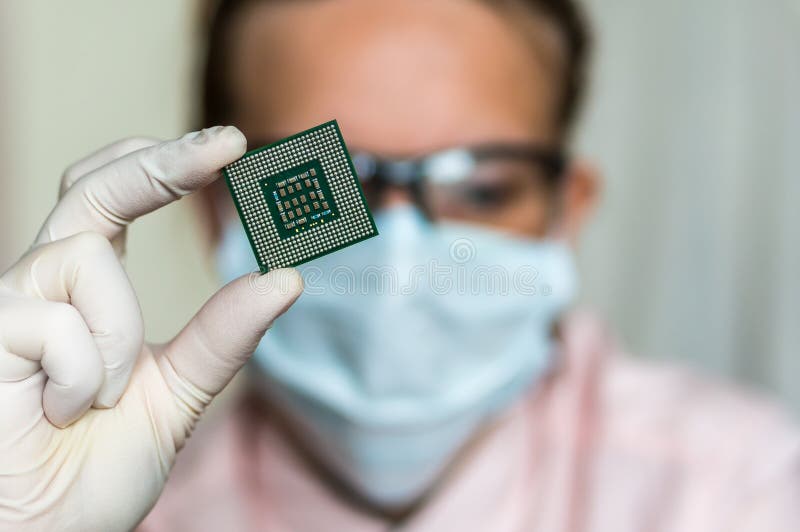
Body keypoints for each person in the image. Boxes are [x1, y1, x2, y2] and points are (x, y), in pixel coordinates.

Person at [0, 0, 797, 530]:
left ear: (566, 209)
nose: (401, 261)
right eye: (324, 186)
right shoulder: (122, 508)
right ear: (222, 208)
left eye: (480, 188)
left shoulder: (736, 487)